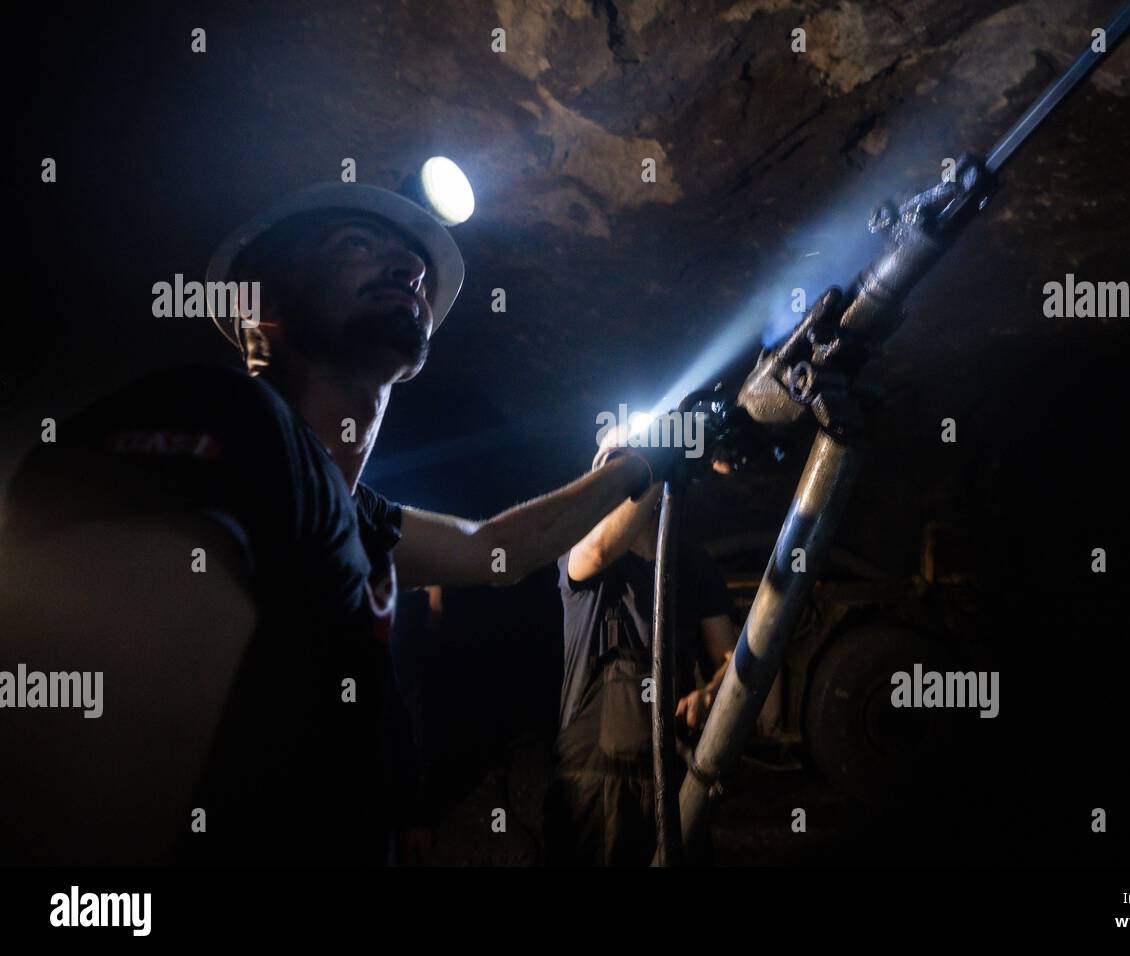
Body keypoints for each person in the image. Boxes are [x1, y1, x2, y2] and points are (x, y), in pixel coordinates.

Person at [0, 183, 684, 866]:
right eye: (355, 246)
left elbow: (498, 550)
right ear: (256, 310)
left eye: (416, 273)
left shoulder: (348, 512)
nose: (406, 274)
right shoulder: (223, 419)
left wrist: (638, 467)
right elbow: (87, 770)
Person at [544, 441, 737, 866]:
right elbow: (600, 549)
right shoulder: (583, 558)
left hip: (673, 773)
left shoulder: (694, 564)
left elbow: (731, 660)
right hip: (591, 783)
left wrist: (709, 692)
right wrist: (662, 461)